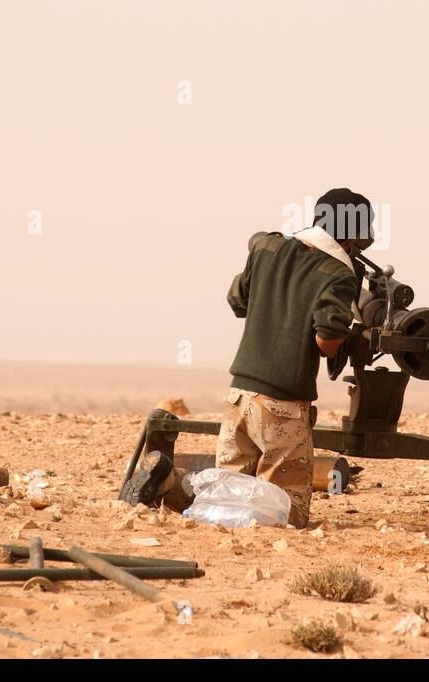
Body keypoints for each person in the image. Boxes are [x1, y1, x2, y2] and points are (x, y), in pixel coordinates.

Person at [120, 188, 373, 526]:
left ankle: (169, 484)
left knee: (230, 497)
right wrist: (351, 338)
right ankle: (173, 484)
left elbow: (238, 301)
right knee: (287, 514)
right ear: (355, 234)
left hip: (239, 396)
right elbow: (327, 340)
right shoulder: (339, 273)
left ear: (316, 218)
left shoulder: (268, 246)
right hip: (282, 405)